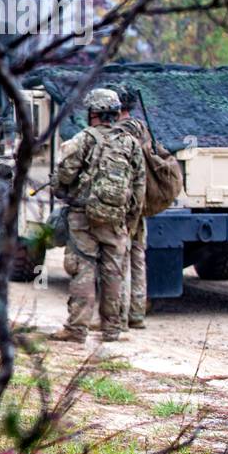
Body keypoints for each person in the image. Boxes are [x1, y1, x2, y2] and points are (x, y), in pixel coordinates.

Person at [49, 88, 146, 344]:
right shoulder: (130, 143)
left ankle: (77, 329)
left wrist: (58, 186)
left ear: (92, 112)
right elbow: (139, 187)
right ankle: (112, 329)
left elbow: (64, 177)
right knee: (113, 272)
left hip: (83, 218)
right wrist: (130, 222)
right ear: (115, 113)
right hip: (116, 220)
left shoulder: (82, 139)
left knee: (84, 269)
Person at [115, 85, 152, 330]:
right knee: (138, 257)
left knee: (120, 258)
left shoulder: (120, 133)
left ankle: (119, 315)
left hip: (124, 203)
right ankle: (137, 313)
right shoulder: (143, 128)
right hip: (141, 202)